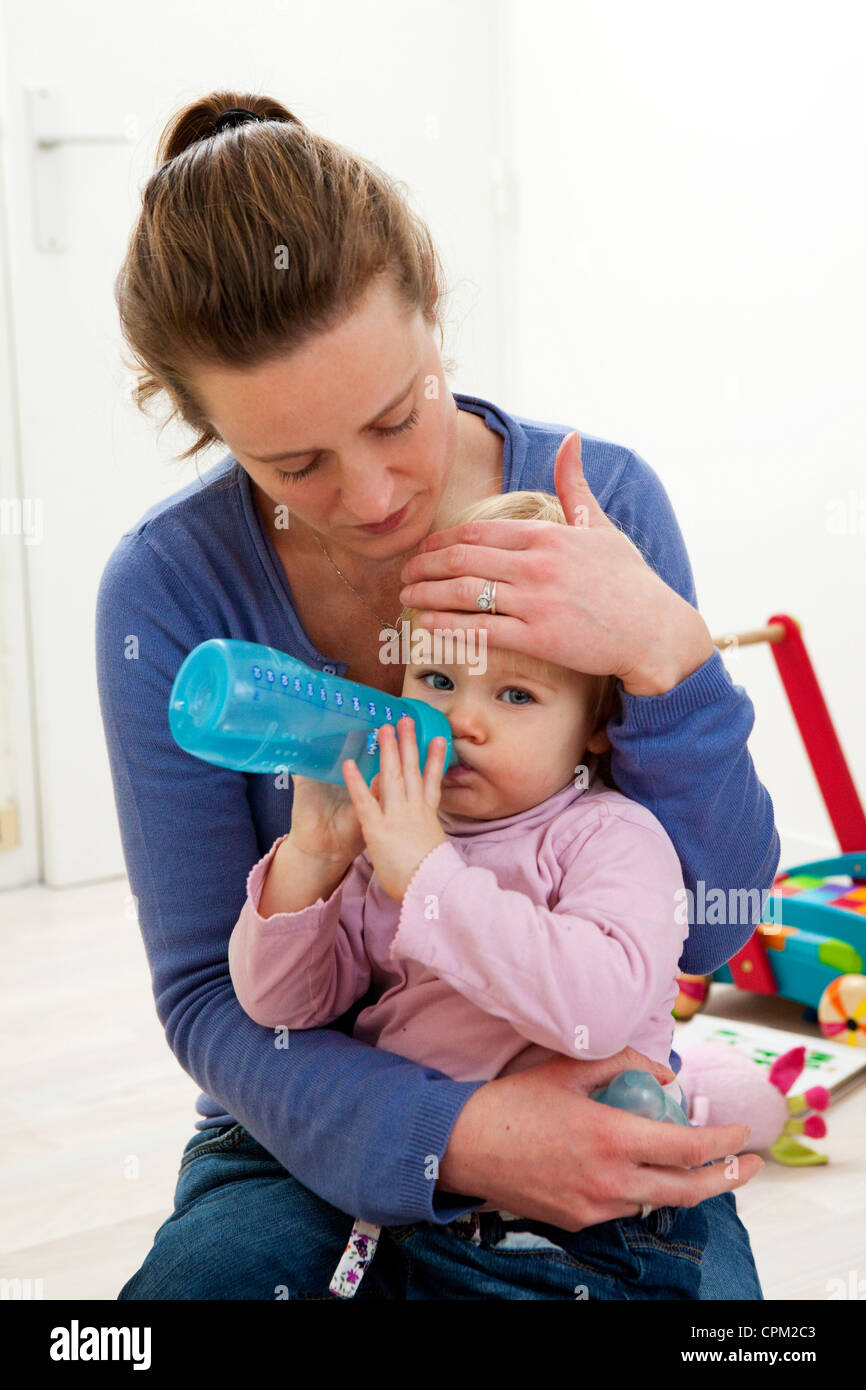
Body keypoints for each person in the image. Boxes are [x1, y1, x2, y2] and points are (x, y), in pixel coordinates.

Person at [97, 90, 776, 1301]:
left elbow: (712, 929)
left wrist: (669, 658)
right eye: (292, 463)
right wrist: (452, 1133)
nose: (367, 497)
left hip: (591, 1101)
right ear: (204, 430)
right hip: (309, 1121)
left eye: (395, 413)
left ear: (435, 319)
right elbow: (218, 997)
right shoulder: (167, 590)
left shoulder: (595, 506)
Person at [227, 487, 717, 1300]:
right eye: (438, 677)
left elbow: (596, 1004)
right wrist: (310, 861)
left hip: (577, 1228)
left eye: (517, 695)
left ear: (595, 725)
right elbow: (283, 1005)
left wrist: (427, 880)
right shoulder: (399, 834)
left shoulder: (609, 838)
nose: (464, 722)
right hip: (411, 1187)